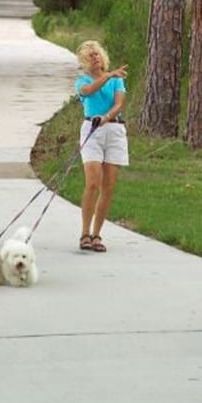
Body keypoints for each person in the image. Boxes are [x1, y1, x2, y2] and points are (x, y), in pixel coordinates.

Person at [74, 40, 128, 253]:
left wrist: (107, 117)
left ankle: (97, 234)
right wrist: (107, 76)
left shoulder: (116, 81)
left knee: (109, 185)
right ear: (86, 62)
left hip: (113, 131)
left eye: (97, 54)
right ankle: (85, 233)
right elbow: (88, 91)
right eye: (90, 56)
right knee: (93, 182)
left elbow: (119, 104)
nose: (95, 58)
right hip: (91, 130)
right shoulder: (82, 81)